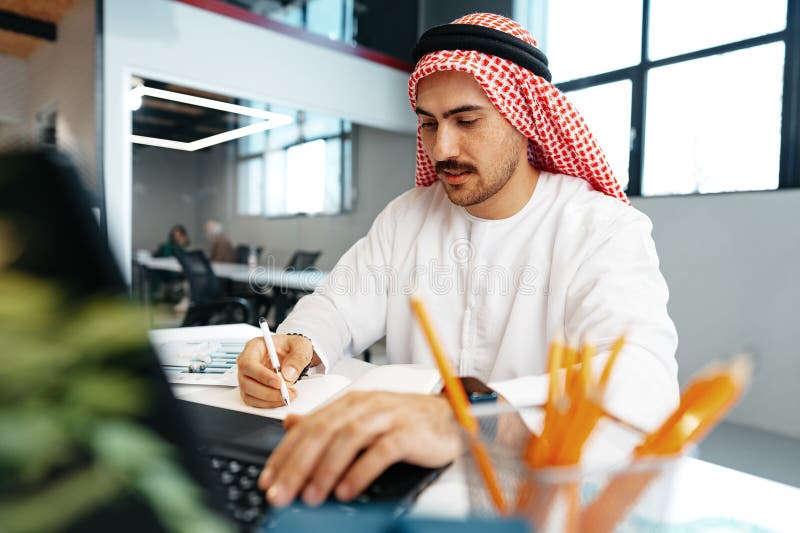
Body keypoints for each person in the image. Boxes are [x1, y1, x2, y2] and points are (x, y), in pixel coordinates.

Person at [237, 13, 679, 508]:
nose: (443, 147)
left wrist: (471, 420)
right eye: (429, 124)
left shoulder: (600, 228)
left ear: (524, 116)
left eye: (467, 121)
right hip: (401, 490)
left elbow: (643, 379)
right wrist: (298, 345)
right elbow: (339, 306)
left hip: (539, 497)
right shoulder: (408, 216)